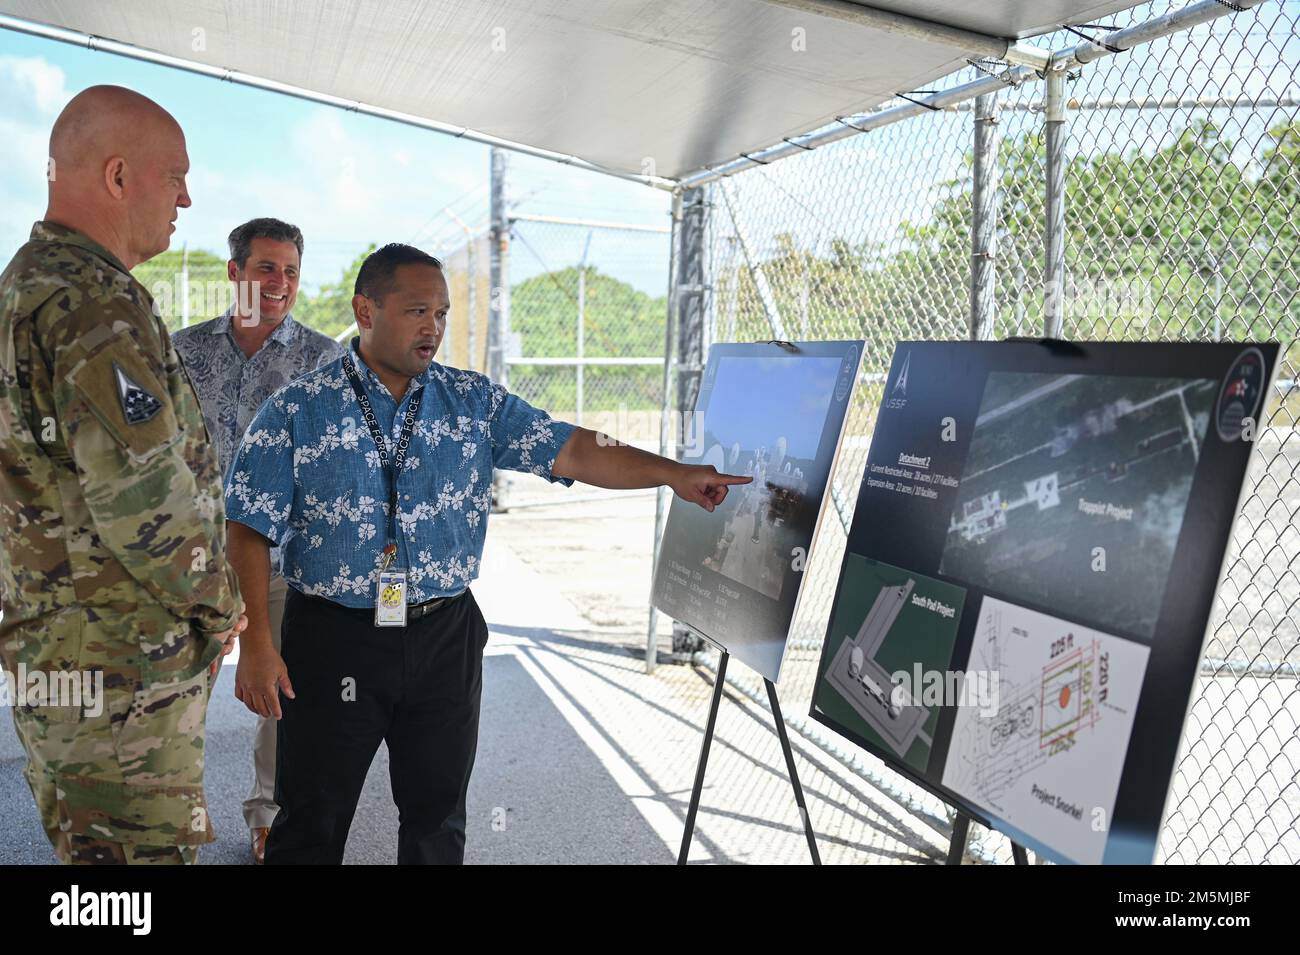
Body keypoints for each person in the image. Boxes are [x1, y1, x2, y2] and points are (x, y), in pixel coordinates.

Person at [224, 242, 748, 864]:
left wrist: (672, 473)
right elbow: (247, 528)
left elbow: (574, 448)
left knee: (438, 816)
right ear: (366, 310)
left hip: (443, 636)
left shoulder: (472, 402)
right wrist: (257, 645)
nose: (434, 328)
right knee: (312, 816)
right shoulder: (298, 409)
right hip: (334, 638)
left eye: (442, 314)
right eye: (418, 311)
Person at [0, 85, 246, 865]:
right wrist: (223, 603)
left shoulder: (33, 283)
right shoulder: (88, 303)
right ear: (116, 176)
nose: (187, 197)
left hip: (71, 658)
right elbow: (147, 503)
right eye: (174, 175)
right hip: (117, 679)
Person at [173, 216, 343, 863]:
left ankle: (266, 816)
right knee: (178, 699)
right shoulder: (183, 351)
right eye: (267, 267)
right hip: (190, 562)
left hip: (282, 562)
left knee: (279, 695)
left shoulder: (324, 360)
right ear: (235, 272)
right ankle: (175, 815)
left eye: (292, 271)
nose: (280, 283)